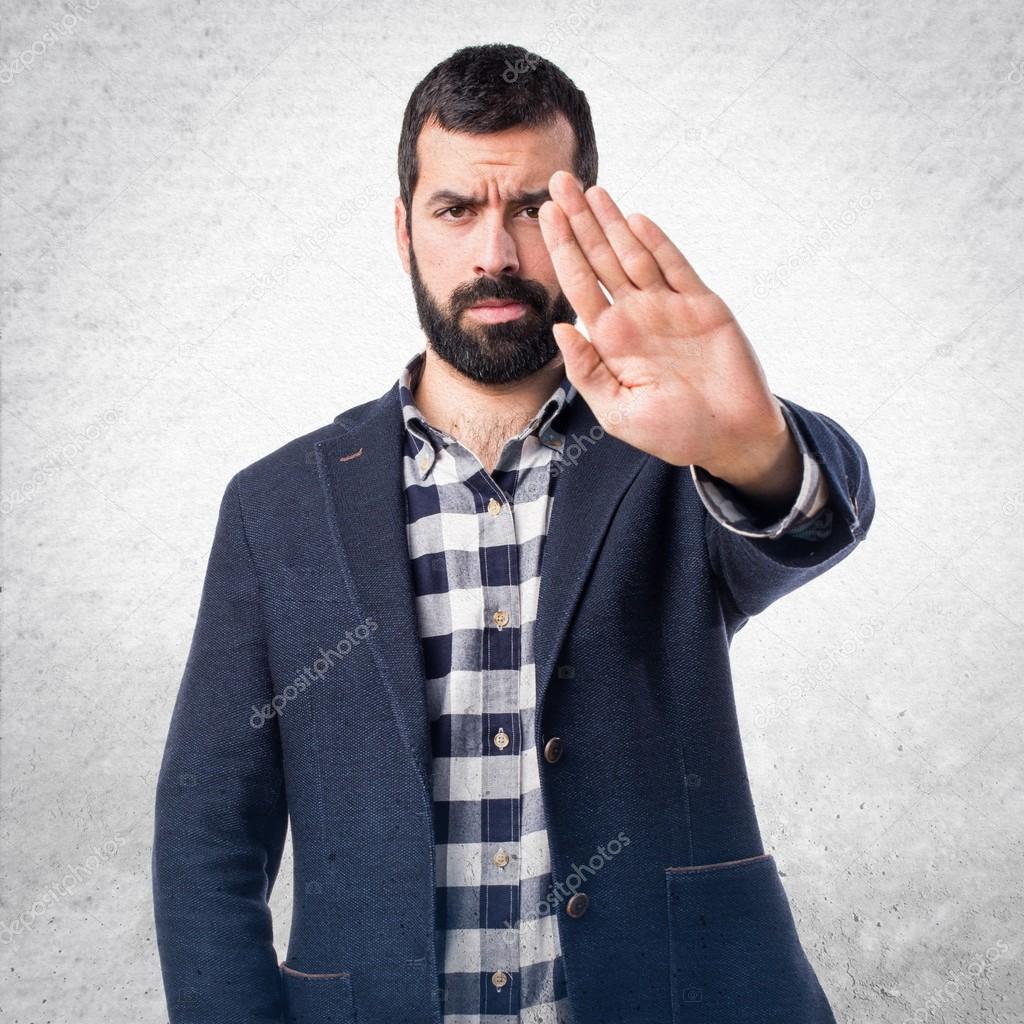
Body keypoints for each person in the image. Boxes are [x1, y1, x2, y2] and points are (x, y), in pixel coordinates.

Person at [152, 42, 873, 1024]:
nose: (495, 253)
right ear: (405, 229)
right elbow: (206, 835)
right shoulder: (277, 505)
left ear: (583, 220)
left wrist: (750, 442)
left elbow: (806, 527)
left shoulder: (673, 453)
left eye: (532, 209)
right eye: (458, 209)